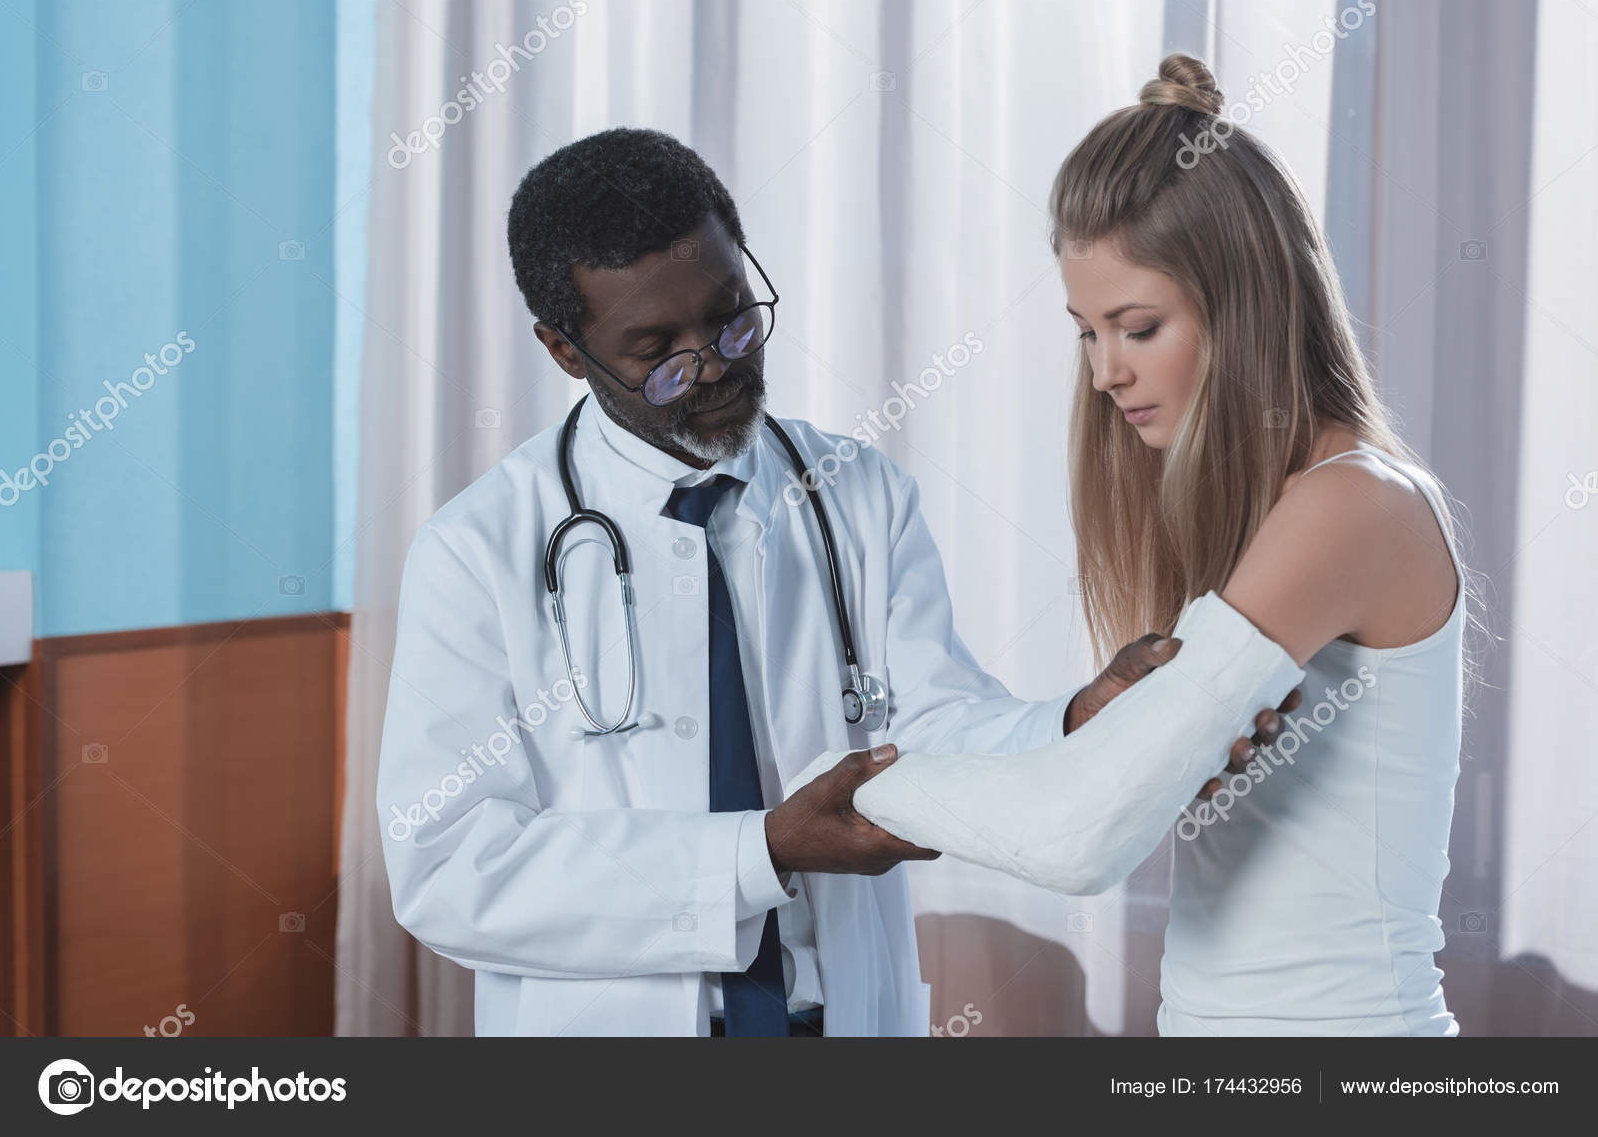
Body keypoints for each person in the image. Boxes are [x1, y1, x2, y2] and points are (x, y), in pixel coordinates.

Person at [375, 127, 1294, 1037]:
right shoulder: (475, 553)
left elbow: (932, 725)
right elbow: (450, 869)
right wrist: (759, 851)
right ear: (565, 351)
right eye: (657, 351)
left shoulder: (856, 493)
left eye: (731, 316)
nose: (714, 365)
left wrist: (1069, 723)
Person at [827, 55, 1472, 1036]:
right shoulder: (1267, 515)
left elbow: (1074, 833)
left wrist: (855, 787)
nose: (1105, 373)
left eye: (1137, 328)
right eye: (1086, 333)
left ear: (1243, 303)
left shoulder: (1351, 508)